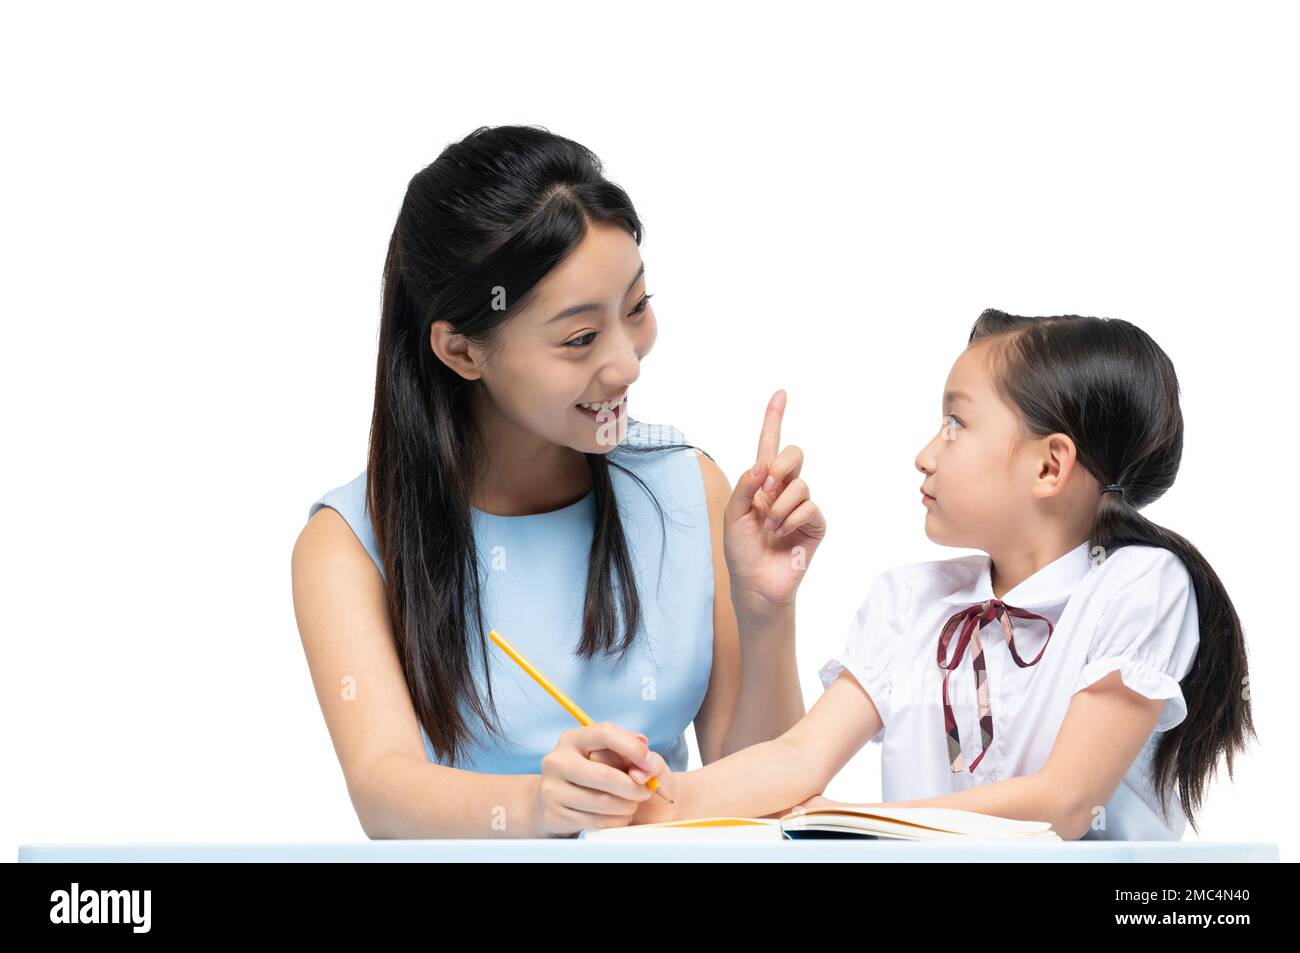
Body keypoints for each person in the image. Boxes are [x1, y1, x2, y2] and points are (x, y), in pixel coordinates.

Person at [290, 125, 826, 838]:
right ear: (460, 349)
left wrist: (766, 613)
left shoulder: (687, 488)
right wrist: (536, 806)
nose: (628, 363)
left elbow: (762, 783)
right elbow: (383, 790)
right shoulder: (349, 544)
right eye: (579, 338)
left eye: (635, 307)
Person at [631, 308, 1254, 840]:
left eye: (956, 424)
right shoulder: (909, 599)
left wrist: (852, 820)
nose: (925, 454)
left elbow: (1064, 804)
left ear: (1049, 467)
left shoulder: (1141, 586)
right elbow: (798, 757)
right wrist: (652, 800)